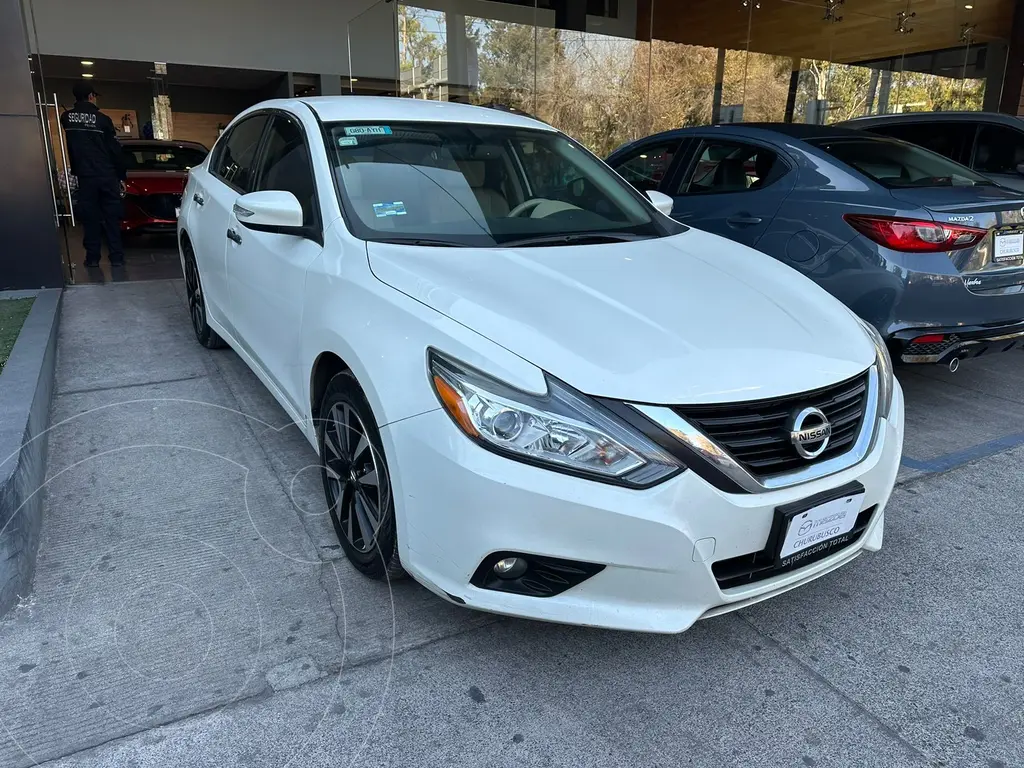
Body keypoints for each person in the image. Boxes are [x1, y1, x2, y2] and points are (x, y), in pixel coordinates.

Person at [61, 81, 127, 267]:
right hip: (106, 174)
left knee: (90, 218)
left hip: (85, 176)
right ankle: (116, 257)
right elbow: (114, 150)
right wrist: (121, 176)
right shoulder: (103, 119)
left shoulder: (66, 117)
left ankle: (92, 259)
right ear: (91, 95)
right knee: (112, 217)